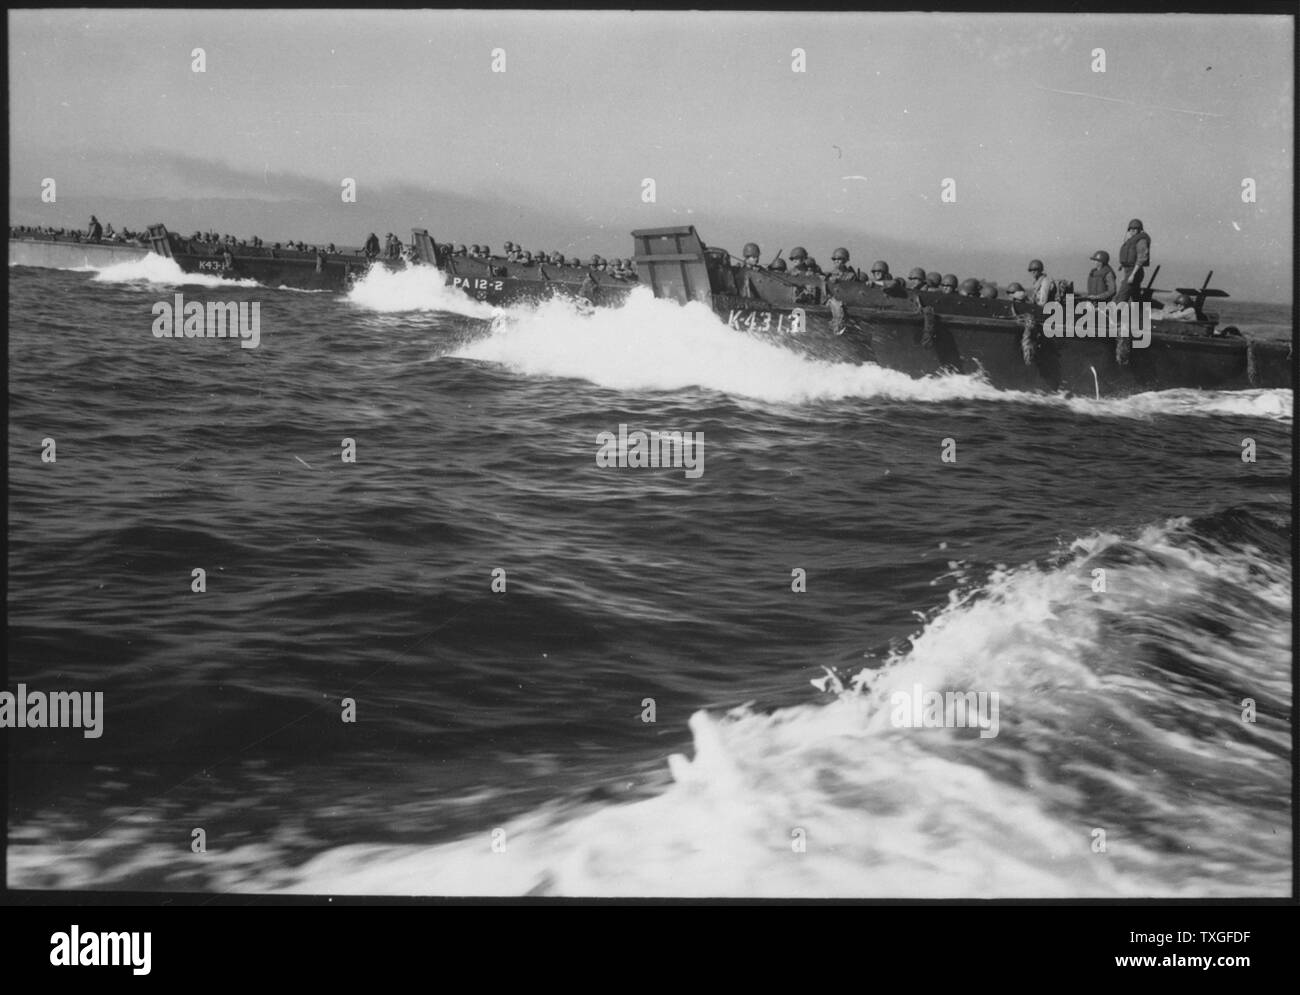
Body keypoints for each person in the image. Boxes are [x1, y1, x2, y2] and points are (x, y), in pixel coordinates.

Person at [1114, 219, 1151, 303]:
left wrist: (1132, 275)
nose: (1132, 230)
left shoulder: (1141, 241)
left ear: (1140, 230)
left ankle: (1114, 314)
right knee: (1135, 296)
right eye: (1131, 229)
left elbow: (1141, 258)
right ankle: (1139, 314)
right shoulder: (1131, 241)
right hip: (1129, 271)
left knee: (1122, 295)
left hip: (1135, 271)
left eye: (1135, 229)